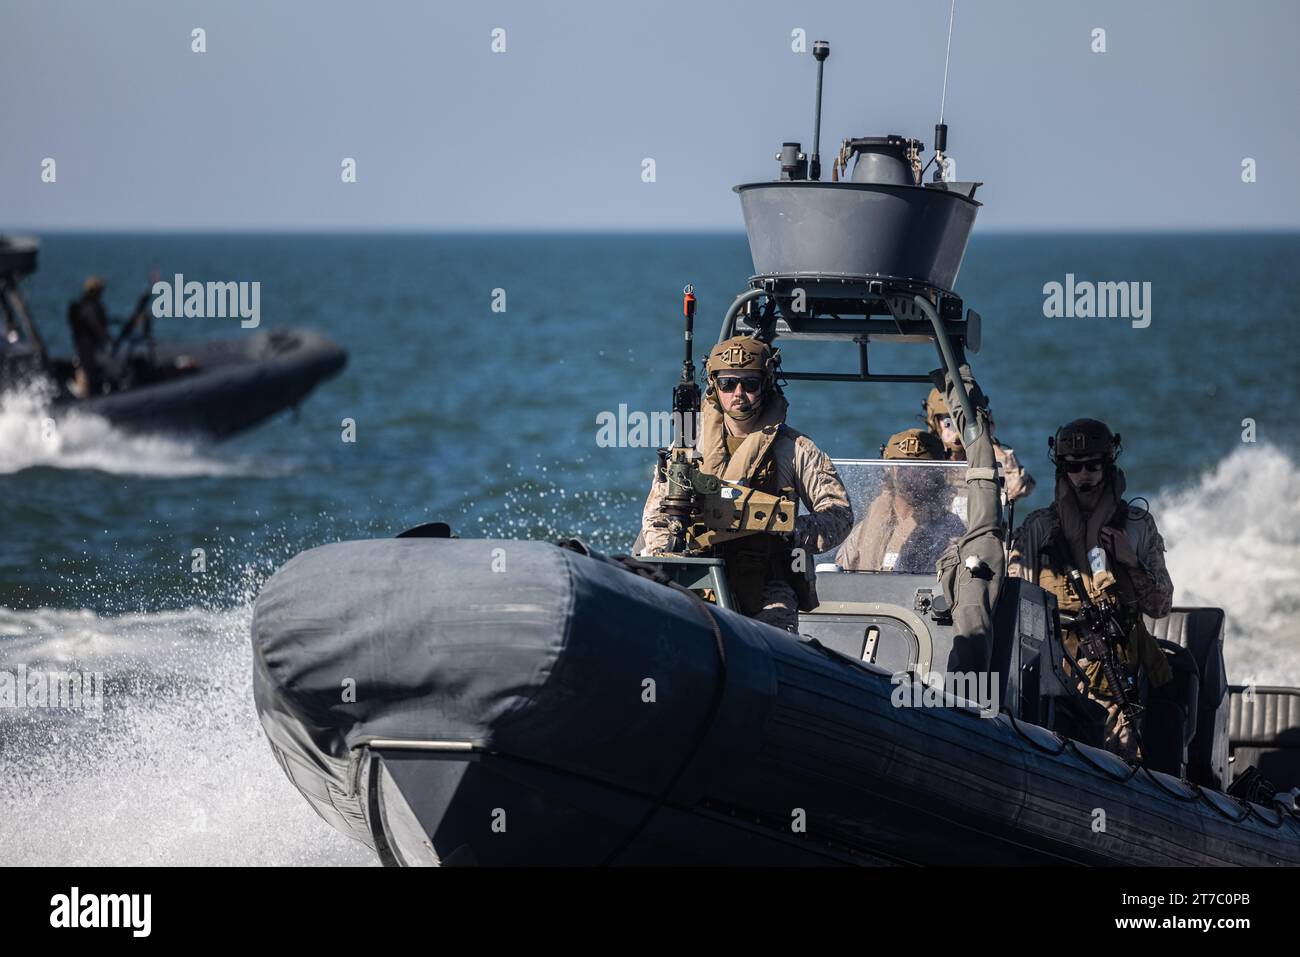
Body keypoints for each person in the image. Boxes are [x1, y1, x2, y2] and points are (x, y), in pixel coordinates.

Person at [638, 335, 853, 631]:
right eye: (727, 384)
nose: (738, 393)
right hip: (698, 574)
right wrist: (668, 557)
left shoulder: (794, 449)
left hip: (767, 583)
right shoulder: (687, 448)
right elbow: (657, 517)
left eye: (749, 384)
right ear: (714, 385)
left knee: (773, 637)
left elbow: (839, 515)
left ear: (766, 383)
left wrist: (788, 528)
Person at [1008, 418, 1176, 764]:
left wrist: (1130, 562)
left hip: (1118, 681)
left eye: (1092, 467)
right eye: (1074, 468)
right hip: (1056, 681)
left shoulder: (1137, 526)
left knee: (1121, 764)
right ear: (1063, 470)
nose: (1083, 476)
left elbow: (1160, 607)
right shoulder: (1039, 529)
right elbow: (1015, 602)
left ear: (1107, 465)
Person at [835, 428, 965, 573]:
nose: (910, 474)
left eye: (920, 468)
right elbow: (839, 573)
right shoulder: (868, 525)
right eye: (903, 466)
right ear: (889, 469)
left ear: (937, 473)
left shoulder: (950, 531)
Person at [922, 386, 1035, 504]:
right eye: (948, 421)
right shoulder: (928, 459)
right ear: (935, 423)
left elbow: (1018, 487)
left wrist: (986, 437)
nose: (956, 429)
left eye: (962, 420)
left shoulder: (984, 457)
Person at [67, 276, 112, 397]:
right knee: (85, 369)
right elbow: (94, 323)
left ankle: (87, 393)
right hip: (86, 344)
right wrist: (104, 335)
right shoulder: (89, 307)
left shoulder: (84, 305)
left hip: (84, 344)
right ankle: (85, 395)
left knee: (86, 368)